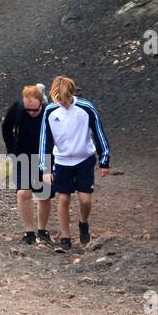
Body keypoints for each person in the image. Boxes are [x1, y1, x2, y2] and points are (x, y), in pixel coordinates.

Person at [38, 75, 111, 251]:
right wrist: (45, 168)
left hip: (84, 159)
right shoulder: (50, 111)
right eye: (59, 100)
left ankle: (83, 223)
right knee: (63, 198)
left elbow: (99, 132)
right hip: (62, 161)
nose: (63, 103)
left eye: (66, 99)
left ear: (71, 93)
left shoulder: (86, 107)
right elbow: (44, 140)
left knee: (85, 200)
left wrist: (104, 159)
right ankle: (65, 237)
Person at [1, 84, 53, 245]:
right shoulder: (17, 108)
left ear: (41, 102)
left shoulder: (48, 111)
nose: (30, 113)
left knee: (44, 194)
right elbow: (6, 128)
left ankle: (42, 230)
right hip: (22, 155)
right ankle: (29, 231)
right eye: (27, 109)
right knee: (23, 193)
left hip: (44, 156)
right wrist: (11, 150)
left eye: (34, 110)